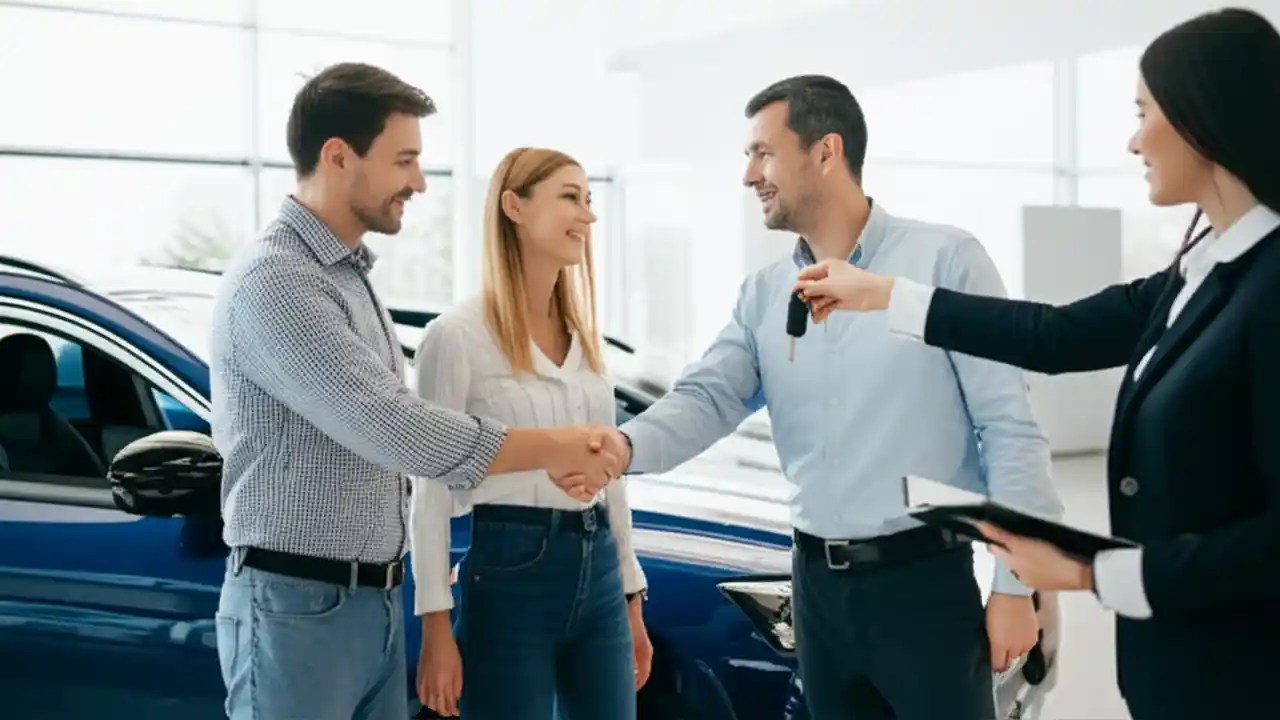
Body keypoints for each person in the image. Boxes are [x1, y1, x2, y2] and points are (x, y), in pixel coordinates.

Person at [793, 8, 1280, 718]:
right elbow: (1052, 336)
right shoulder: (1200, 272)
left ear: (1202, 113)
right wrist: (882, 294)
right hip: (1180, 670)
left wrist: (1092, 570)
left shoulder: (1269, 288)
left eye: (1143, 112)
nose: (1132, 138)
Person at [606, 75, 1063, 719]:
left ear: (826, 152)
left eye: (762, 152)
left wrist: (1017, 586)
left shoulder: (946, 260)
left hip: (924, 586)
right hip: (817, 594)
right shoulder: (764, 294)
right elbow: (707, 400)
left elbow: (1010, 429)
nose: (748, 175)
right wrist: (620, 446)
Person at [210, 64, 620, 720]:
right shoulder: (278, 281)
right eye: (404, 160)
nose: (419, 182)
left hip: (370, 603)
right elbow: (396, 428)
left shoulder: (346, 277)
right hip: (297, 606)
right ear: (339, 157)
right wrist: (558, 445)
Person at [408, 147, 652, 719]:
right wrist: (436, 628)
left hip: (598, 579)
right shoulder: (456, 336)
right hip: (510, 574)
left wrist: (631, 599)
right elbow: (430, 490)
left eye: (589, 200)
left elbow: (611, 480)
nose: (588, 216)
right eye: (570, 197)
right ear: (514, 206)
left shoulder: (586, 341)